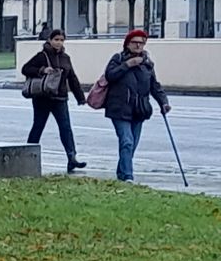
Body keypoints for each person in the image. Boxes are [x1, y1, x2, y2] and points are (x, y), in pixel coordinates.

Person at [100, 28, 170, 182]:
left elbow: (154, 86)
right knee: (127, 141)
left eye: (141, 43)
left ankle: (121, 171)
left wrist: (163, 102)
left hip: (139, 109)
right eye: (135, 42)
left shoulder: (147, 64)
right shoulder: (118, 59)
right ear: (127, 44)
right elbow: (110, 76)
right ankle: (128, 176)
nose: (138, 46)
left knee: (131, 145)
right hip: (119, 108)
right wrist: (128, 64)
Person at [20, 30, 87, 171]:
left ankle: (72, 158)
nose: (59, 42)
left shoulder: (65, 58)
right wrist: (42, 70)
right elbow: (25, 69)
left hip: (60, 98)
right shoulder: (41, 56)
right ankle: (28, 156)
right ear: (50, 40)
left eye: (62, 40)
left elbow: (72, 78)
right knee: (38, 126)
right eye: (56, 39)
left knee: (66, 128)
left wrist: (80, 97)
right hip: (42, 98)